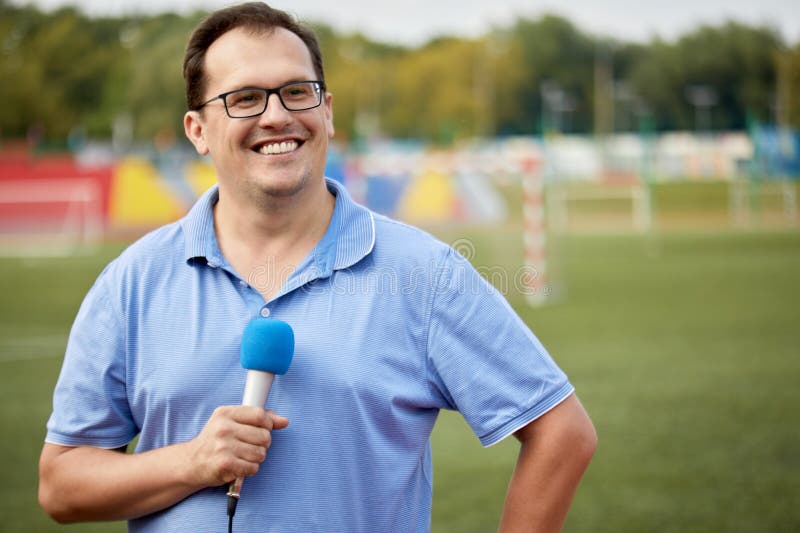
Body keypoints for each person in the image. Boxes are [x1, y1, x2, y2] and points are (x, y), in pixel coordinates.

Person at [38, 3, 596, 532]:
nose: (277, 115)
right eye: (245, 98)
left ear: (326, 112)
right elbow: (62, 487)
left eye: (296, 92)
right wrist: (192, 461)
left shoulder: (426, 274)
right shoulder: (132, 282)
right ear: (198, 130)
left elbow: (562, 432)